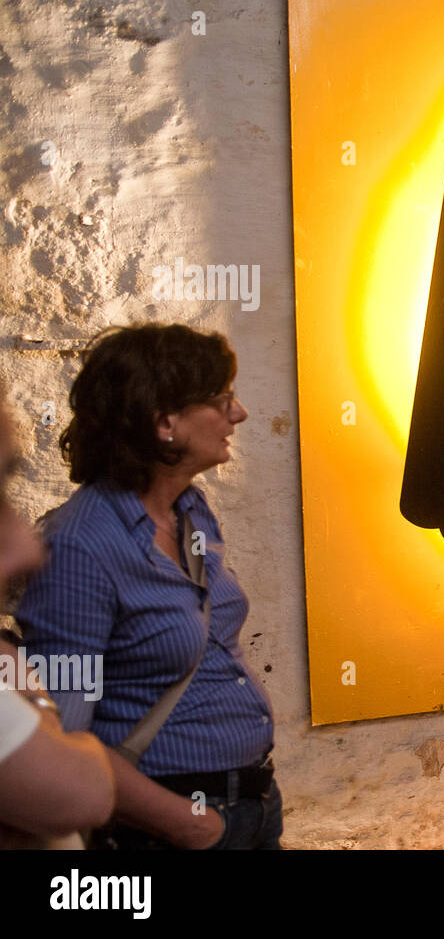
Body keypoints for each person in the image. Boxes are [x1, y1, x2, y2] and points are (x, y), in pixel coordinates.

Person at [17, 324, 281, 849]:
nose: (240, 413)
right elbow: (63, 735)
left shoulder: (191, 510)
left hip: (252, 804)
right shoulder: (81, 546)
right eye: (222, 399)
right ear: (165, 422)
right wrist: (186, 824)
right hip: (165, 828)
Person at [0, 404, 116, 848]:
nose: (27, 552)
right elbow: (83, 792)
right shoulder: (76, 540)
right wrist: (37, 701)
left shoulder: (194, 517)